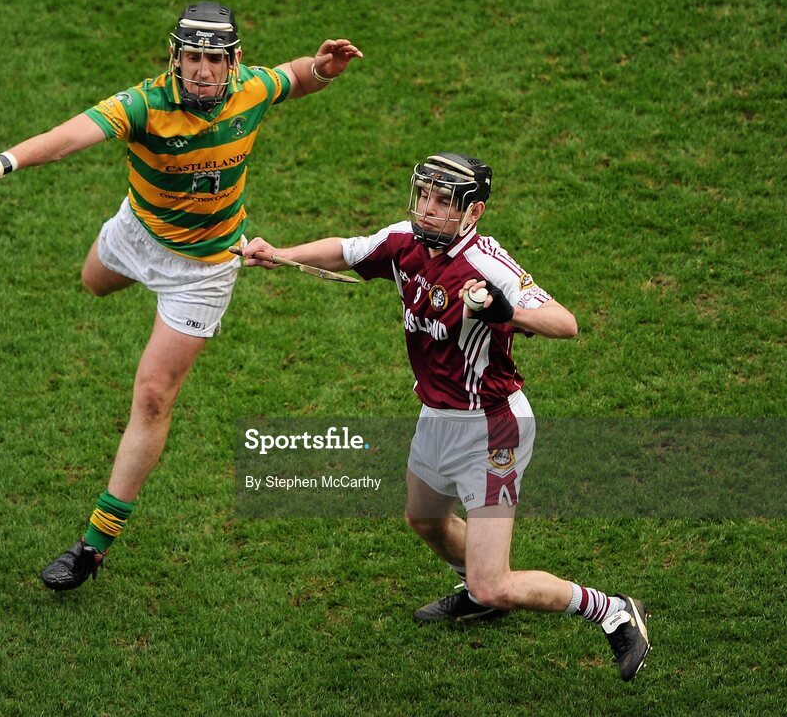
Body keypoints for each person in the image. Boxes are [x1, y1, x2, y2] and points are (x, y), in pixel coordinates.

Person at [0, 1, 362, 591]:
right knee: (92, 283)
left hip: (202, 271)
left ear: (234, 62)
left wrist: (323, 69)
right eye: (190, 57)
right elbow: (72, 136)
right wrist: (3, 162)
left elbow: (293, 78)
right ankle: (127, 273)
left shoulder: (251, 87)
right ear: (174, 57)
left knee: (152, 397)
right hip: (136, 233)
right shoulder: (143, 103)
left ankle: (93, 545)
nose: (200, 70)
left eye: (212, 60)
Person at [240, 152, 651, 681]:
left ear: (472, 211)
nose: (427, 209)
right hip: (435, 417)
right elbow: (345, 251)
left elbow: (565, 323)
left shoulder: (488, 265)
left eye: (442, 201)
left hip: (491, 427)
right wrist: (280, 253)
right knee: (425, 519)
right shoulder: (404, 242)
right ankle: (480, 594)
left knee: (493, 580)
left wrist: (508, 313)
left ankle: (611, 609)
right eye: (424, 196)